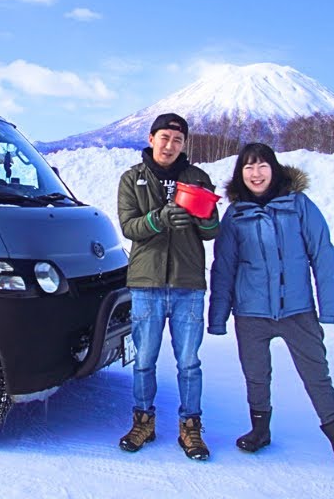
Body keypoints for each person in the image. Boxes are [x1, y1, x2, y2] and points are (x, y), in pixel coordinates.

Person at [208, 142, 334, 462]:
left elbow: (323, 254)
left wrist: (327, 308)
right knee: (256, 375)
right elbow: (224, 267)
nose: (256, 173)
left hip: (297, 310)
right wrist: (218, 317)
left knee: (316, 373)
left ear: (274, 169)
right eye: (248, 166)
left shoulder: (299, 204)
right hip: (251, 312)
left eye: (262, 165)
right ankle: (259, 430)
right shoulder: (235, 215)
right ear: (240, 173)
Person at [116, 112, 220, 460]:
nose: (170, 145)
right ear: (151, 139)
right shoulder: (132, 178)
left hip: (188, 284)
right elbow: (129, 227)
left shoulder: (197, 178)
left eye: (177, 140)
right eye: (164, 138)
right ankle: (143, 421)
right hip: (146, 283)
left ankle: (190, 426)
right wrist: (158, 219)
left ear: (183, 144)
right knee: (144, 359)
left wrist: (207, 216)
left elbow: (210, 232)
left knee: (189, 362)